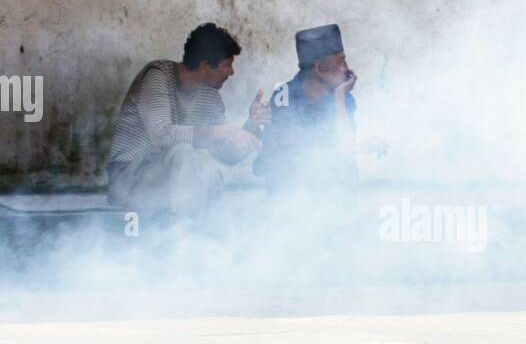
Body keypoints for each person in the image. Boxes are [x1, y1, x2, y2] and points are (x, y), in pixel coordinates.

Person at [107, 23, 269, 218]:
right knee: (183, 152)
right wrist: (221, 131)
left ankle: (204, 235)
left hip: (173, 182)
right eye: (227, 64)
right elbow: (161, 135)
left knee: (207, 168)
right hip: (130, 178)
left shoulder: (210, 95)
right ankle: (185, 234)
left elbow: (226, 155)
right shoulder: (157, 76)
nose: (231, 72)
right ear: (204, 66)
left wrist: (250, 125)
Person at [253, 23, 383, 195]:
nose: (346, 69)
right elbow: (294, 157)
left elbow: (345, 149)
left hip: (334, 194)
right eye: (341, 61)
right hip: (292, 196)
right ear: (319, 68)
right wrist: (357, 149)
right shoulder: (284, 96)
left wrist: (339, 98)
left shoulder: (343, 96)